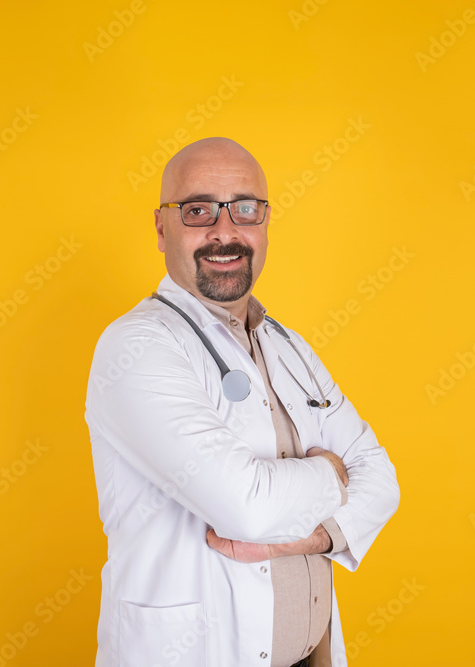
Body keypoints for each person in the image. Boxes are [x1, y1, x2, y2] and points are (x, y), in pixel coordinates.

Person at [84, 137, 399, 666]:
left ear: (265, 222)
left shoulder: (288, 345)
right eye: (198, 210)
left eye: (245, 208)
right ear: (162, 229)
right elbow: (247, 509)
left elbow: (383, 478)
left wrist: (303, 542)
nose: (224, 231)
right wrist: (333, 471)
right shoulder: (137, 346)